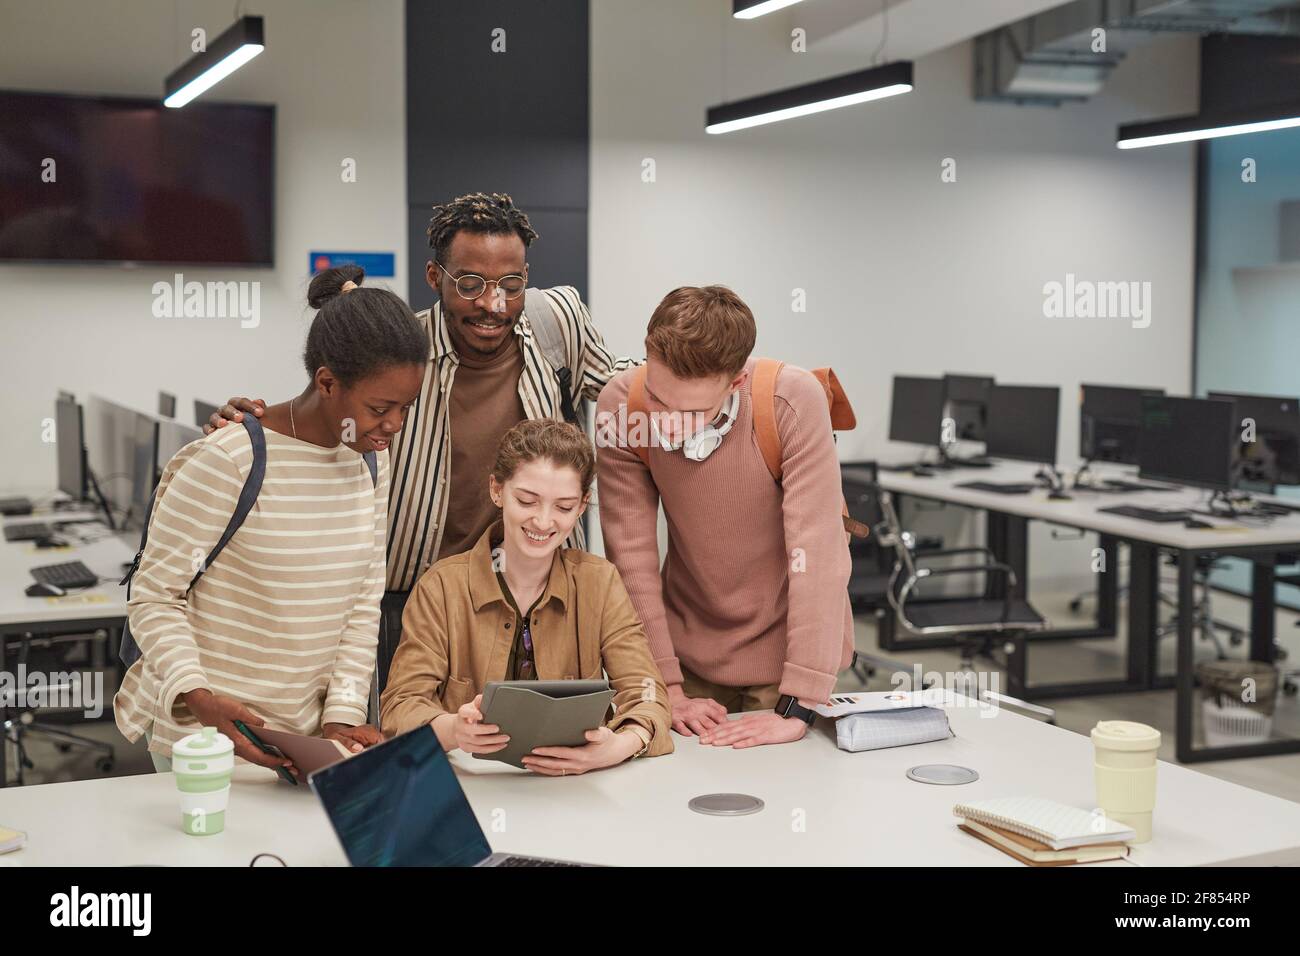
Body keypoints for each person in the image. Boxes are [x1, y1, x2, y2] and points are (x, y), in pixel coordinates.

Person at [203, 193, 635, 694]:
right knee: (420, 745)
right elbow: (330, 412)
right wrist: (256, 427)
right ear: (435, 278)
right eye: (470, 284)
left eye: (510, 285)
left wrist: (712, 379)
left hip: (539, 593)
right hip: (414, 600)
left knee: (542, 748)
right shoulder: (402, 349)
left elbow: (629, 395)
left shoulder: (558, 323)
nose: (492, 304)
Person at [114, 267, 427, 773]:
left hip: (300, 749)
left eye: (405, 408)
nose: (393, 426)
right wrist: (198, 696)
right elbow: (153, 595)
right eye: (379, 407)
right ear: (327, 382)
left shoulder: (371, 460)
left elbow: (364, 596)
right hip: (206, 742)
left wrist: (342, 715)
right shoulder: (230, 458)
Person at [595, 285, 854, 749]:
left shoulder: (791, 400)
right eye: (659, 399)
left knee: (787, 799)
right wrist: (664, 688)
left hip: (789, 661)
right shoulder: (621, 405)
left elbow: (814, 552)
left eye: (692, 410)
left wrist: (801, 700)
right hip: (684, 656)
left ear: (735, 382)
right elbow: (631, 558)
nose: (669, 423)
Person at [380, 419, 672, 774]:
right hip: (470, 789)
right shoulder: (440, 587)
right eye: (527, 500)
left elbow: (648, 692)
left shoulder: (600, 582)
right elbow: (399, 707)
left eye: (563, 507)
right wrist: (453, 730)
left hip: (576, 793)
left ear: (582, 507)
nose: (543, 521)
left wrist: (616, 747)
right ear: (497, 490)